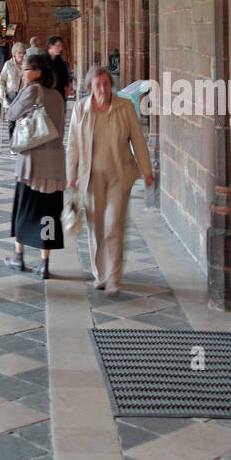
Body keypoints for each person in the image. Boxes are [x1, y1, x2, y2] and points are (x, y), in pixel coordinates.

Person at [67, 64, 153, 295]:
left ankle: (114, 277)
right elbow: (73, 145)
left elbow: (137, 139)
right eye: (98, 85)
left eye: (106, 84)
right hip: (90, 178)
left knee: (113, 224)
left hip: (119, 175)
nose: (103, 89)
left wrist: (146, 171)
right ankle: (100, 274)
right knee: (96, 228)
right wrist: (71, 175)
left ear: (111, 85)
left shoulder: (124, 106)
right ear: (90, 87)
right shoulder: (81, 109)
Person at [4, 51, 66, 278]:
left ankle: (19, 257)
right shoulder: (57, 95)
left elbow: (11, 113)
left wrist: (23, 90)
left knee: (25, 210)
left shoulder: (32, 91)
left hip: (33, 164)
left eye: (25, 69)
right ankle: (44, 263)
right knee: (49, 214)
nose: (22, 73)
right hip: (55, 164)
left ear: (38, 72)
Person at [0, 41, 26, 137]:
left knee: (22, 121)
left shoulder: (26, 64)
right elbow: (1, 80)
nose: (21, 55)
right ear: (14, 53)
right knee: (12, 122)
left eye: (23, 53)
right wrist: (2, 92)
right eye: (19, 53)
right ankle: (12, 142)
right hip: (11, 96)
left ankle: (20, 141)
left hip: (22, 97)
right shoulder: (8, 64)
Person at [47, 35, 73, 101]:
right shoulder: (43, 60)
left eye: (61, 46)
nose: (61, 49)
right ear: (50, 46)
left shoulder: (60, 61)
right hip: (48, 93)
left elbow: (65, 75)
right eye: (58, 46)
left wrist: (68, 85)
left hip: (60, 93)